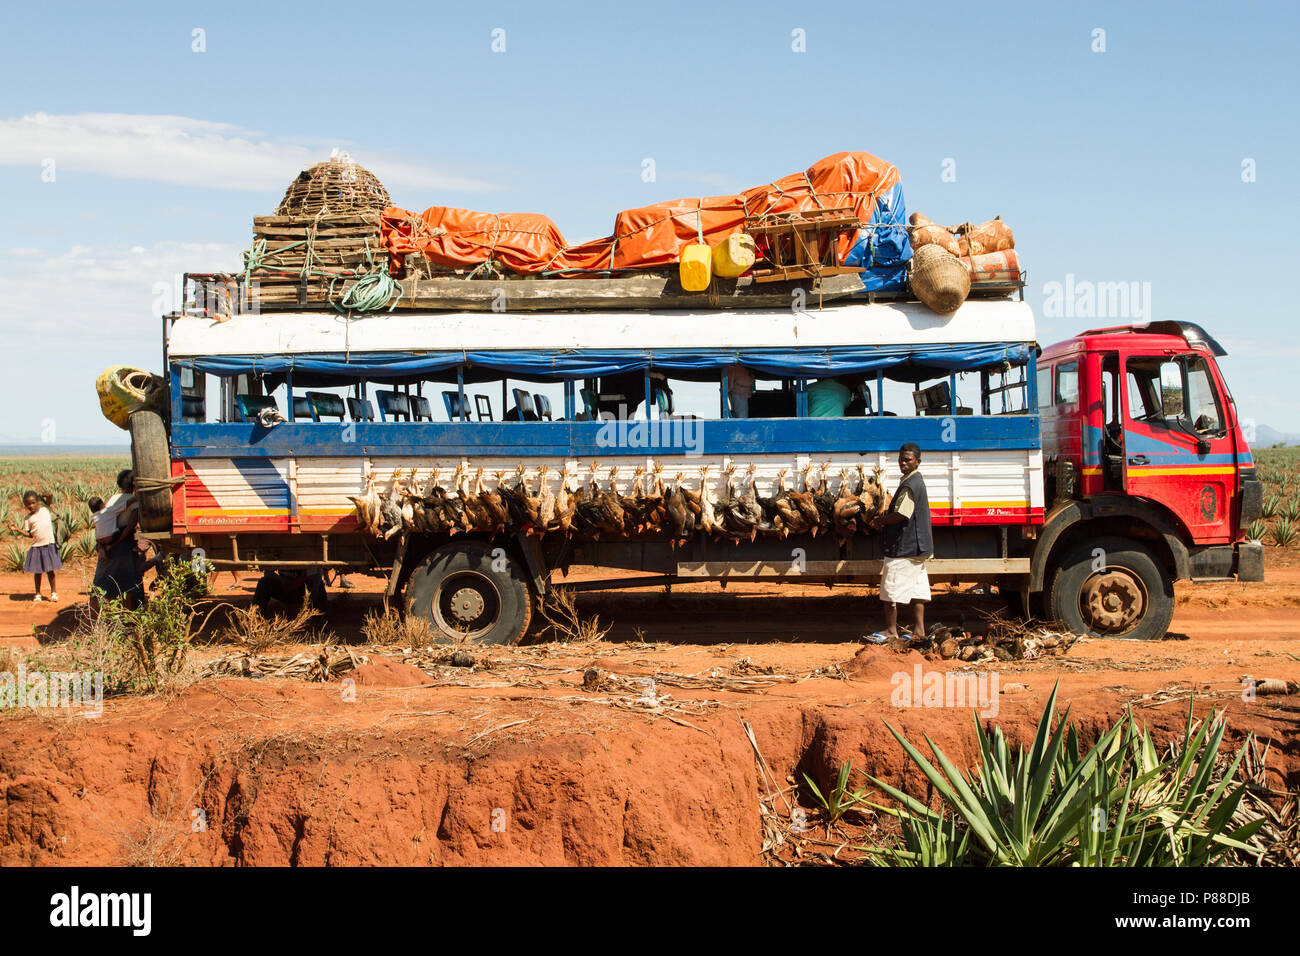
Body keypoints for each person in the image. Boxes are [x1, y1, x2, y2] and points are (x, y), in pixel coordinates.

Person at [865, 443, 932, 643]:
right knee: (918, 589)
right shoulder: (914, 480)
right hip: (919, 547)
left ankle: (891, 630)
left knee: (890, 590)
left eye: (908, 460)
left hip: (905, 547)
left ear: (917, 462)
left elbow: (902, 514)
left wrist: (881, 520)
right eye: (901, 459)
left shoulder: (911, 484)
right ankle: (920, 631)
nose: (903, 463)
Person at [92, 469, 145, 609]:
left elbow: (103, 521)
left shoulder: (112, 498)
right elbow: (131, 524)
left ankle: (101, 612)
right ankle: (128, 615)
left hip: (109, 540)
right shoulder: (132, 500)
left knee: (105, 578)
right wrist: (119, 541)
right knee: (127, 582)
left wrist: (103, 546)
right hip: (123, 542)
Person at [11, 491, 60, 601]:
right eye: (28, 504)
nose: (31, 506)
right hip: (37, 546)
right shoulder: (28, 518)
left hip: (48, 544)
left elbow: (50, 499)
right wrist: (17, 529)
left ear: (38, 502)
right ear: (25, 505)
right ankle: (38, 593)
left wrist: (47, 495)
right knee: (37, 571)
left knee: (50, 570)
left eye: (33, 502)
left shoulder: (45, 509)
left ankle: (54, 593)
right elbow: (29, 534)